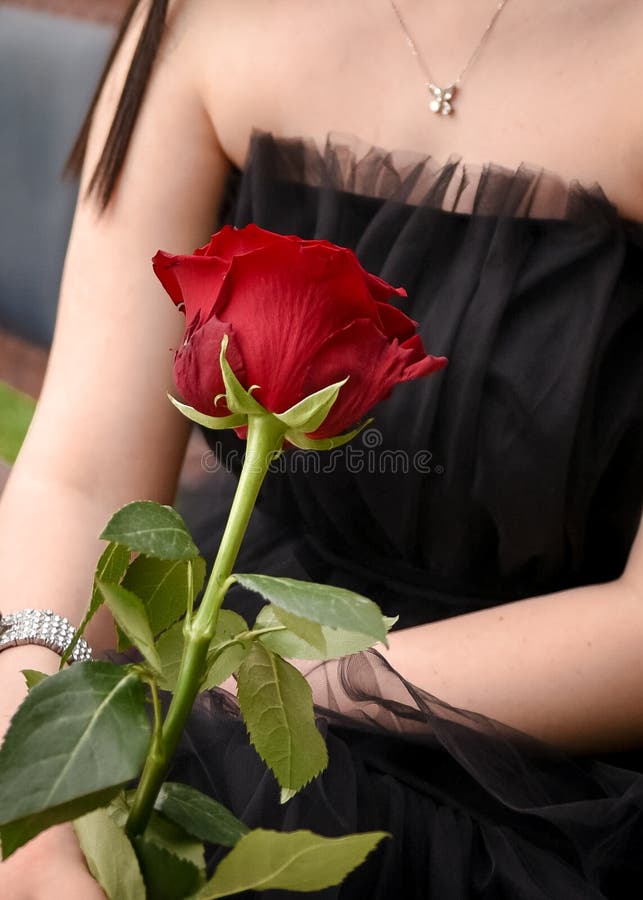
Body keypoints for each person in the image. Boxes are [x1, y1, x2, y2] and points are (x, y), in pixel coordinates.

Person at [2, 0, 643, 896]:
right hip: (255, 618)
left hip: (553, 747)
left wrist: (251, 692)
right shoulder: (203, 17)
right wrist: (32, 775)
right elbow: (79, 477)